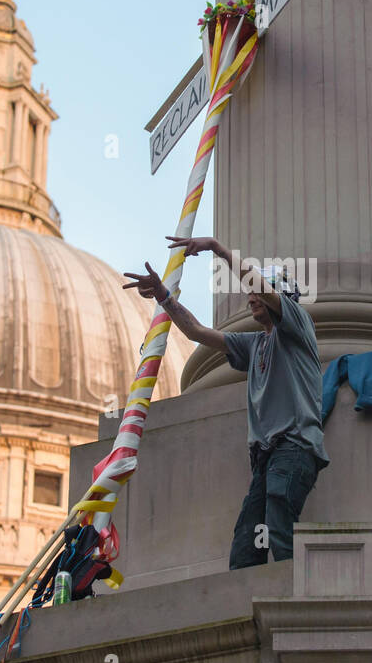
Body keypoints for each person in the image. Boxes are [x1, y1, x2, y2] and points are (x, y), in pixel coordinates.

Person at [123, 236, 328, 568]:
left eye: (258, 292)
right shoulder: (255, 344)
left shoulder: (297, 327)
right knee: (247, 542)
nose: (250, 297)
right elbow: (197, 333)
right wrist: (164, 296)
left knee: (279, 523)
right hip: (267, 457)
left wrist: (218, 250)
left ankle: (297, 600)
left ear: (281, 297)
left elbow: (260, 288)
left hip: (294, 447)